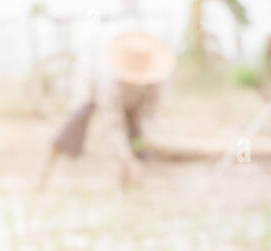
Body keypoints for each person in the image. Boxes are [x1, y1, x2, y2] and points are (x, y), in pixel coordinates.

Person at [38, 31, 175, 190]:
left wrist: (147, 139)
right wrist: (126, 158)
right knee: (74, 123)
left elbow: (148, 117)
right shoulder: (108, 79)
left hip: (133, 106)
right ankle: (43, 176)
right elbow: (111, 125)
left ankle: (129, 181)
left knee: (137, 137)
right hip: (91, 90)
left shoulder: (156, 81)